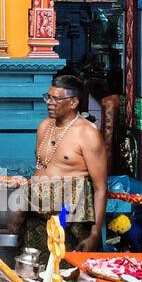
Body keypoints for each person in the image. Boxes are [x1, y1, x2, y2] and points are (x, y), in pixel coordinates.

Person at [12, 72, 109, 252]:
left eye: (56, 99)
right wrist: (21, 210)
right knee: (33, 272)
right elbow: (41, 169)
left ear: (73, 102)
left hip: (68, 216)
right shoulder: (44, 127)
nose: (49, 102)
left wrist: (95, 233)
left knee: (67, 273)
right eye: (48, 97)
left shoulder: (88, 134)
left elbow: (100, 187)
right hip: (36, 214)